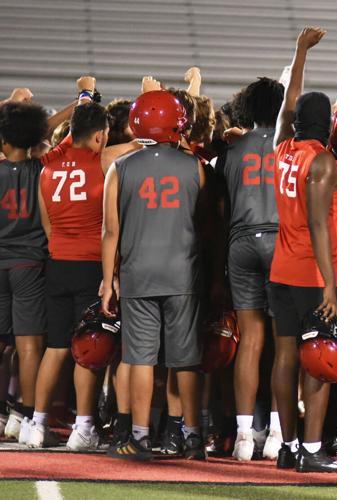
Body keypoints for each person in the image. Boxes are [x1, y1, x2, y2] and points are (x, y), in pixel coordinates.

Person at [102, 90, 206, 461]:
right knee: (185, 360)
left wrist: (106, 281)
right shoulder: (194, 165)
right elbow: (205, 224)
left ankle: (140, 437)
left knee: (141, 358)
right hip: (183, 271)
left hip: (138, 271)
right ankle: (193, 437)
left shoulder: (121, 167)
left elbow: (110, 232)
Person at [29, 102, 139, 449]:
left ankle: (36, 422)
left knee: (56, 347)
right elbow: (141, 145)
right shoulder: (102, 161)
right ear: (98, 135)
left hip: (57, 261)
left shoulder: (45, 169)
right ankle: (83, 427)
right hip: (90, 264)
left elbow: (47, 224)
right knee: (87, 349)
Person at [268, 26, 337, 473]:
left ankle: (287, 445)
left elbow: (287, 106)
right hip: (315, 274)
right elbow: (320, 224)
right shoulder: (322, 161)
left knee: (284, 357)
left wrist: (300, 50)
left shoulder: (284, 147)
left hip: (281, 269)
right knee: (320, 360)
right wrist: (331, 288)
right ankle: (313, 450)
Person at [216, 76, 285, 462]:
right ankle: (276, 431)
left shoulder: (232, 148)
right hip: (280, 240)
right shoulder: (288, 146)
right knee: (282, 342)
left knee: (251, 340)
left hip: (240, 241)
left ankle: (244, 436)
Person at [0, 101, 49, 443]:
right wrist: (84, 99)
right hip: (30, 263)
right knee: (29, 345)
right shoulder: (42, 169)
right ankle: (26, 415)